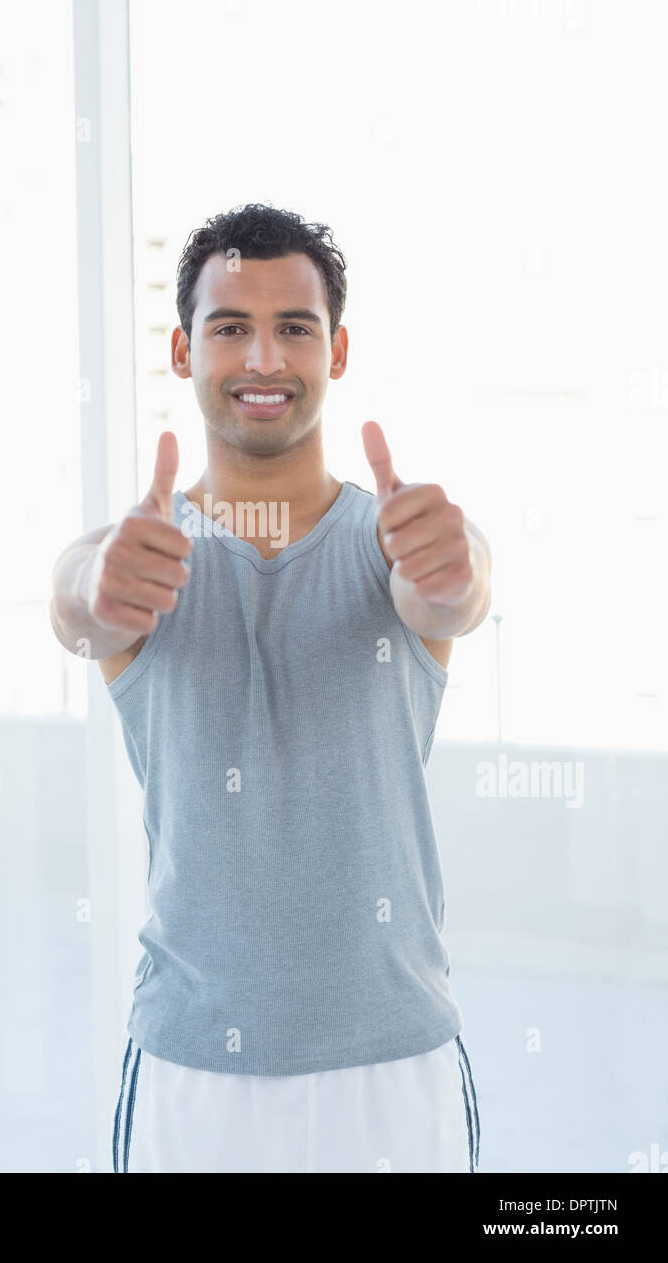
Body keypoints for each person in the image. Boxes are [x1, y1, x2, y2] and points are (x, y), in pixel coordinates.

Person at [50, 202, 491, 1173]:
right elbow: (80, 603)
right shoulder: (133, 557)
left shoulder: (402, 544)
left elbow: (451, 595)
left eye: (293, 327)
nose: (262, 357)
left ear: (335, 352)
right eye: (228, 326)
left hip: (393, 1067)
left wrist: (454, 574)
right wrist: (95, 584)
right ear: (180, 350)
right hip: (193, 1072)